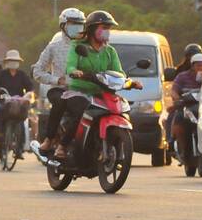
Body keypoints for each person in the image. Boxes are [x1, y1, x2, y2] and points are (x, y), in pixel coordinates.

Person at [54, 10, 142, 161]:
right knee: (80, 110)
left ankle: (104, 146)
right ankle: (63, 145)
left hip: (102, 92)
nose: (107, 31)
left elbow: (118, 72)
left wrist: (130, 82)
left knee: (120, 110)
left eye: (109, 28)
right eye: (103, 27)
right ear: (92, 28)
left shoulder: (110, 51)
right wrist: (75, 71)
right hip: (79, 91)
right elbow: (70, 66)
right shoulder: (78, 46)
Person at [31, 7, 86, 156]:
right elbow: (37, 71)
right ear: (63, 25)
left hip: (82, 91)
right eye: (73, 23)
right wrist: (56, 80)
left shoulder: (87, 47)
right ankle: (52, 140)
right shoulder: (53, 47)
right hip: (59, 89)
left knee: (85, 108)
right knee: (61, 101)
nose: (78, 27)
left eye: (80, 24)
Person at [0, 49, 35, 141]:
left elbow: (30, 87)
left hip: (19, 103)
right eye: (11, 61)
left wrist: (29, 93)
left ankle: (20, 147)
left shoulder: (22, 75)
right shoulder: (2, 74)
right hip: (4, 101)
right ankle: (0, 134)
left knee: (23, 119)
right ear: (7, 62)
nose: (13, 63)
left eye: (15, 61)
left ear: (18, 62)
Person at [168, 52, 202, 152]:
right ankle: (172, 140)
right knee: (177, 117)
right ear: (192, 65)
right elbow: (173, 91)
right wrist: (177, 99)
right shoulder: (182, 76)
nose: (201, 68)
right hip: (186, 106)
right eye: (198, 65)